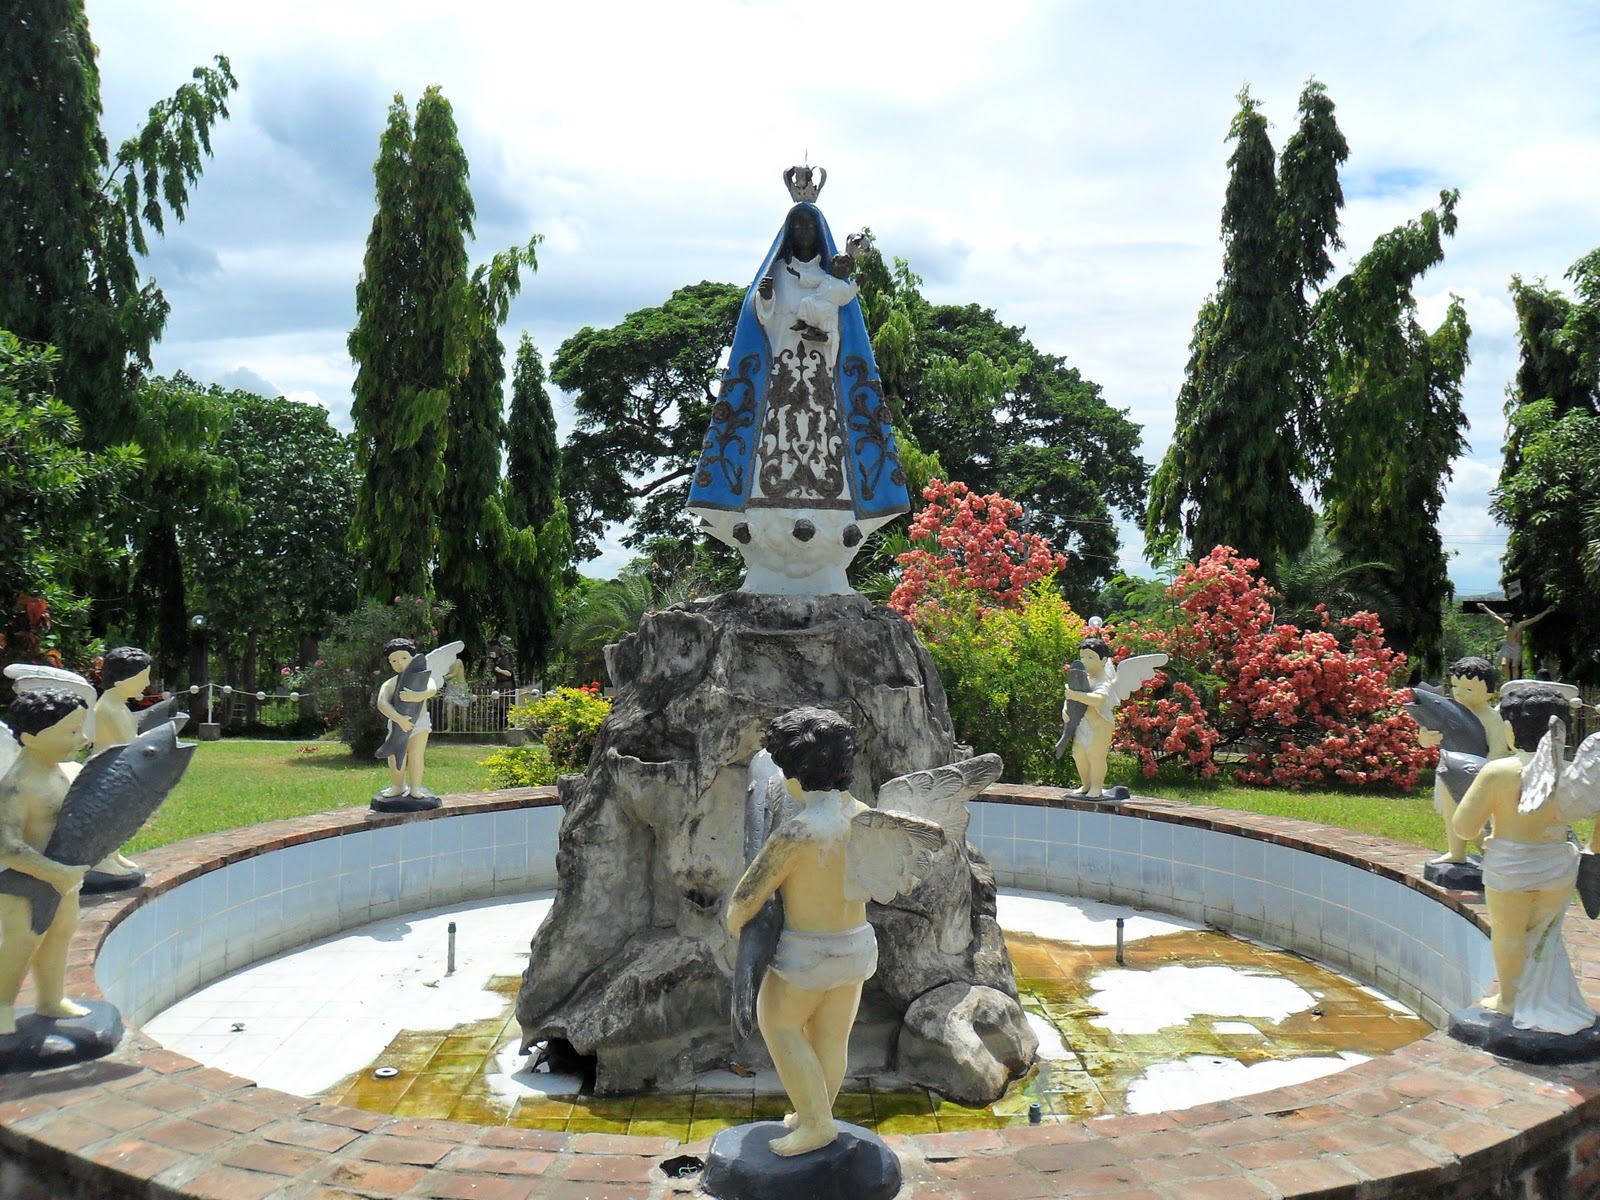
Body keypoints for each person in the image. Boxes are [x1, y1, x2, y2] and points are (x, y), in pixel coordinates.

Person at [686, 169, 910, 595]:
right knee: (770, 453)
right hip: (779, 385)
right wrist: (766, 297)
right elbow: (762, 322)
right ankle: (763, 541)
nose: (805, 231)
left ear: (818, 234)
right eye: (799, 226)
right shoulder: (779, 273)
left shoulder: (834, 279)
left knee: (832, 452)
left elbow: (846, 332)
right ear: (789, 234)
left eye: (810, 226)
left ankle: (832, 543)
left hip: (824, 388)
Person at [725, 708, 872, 1157]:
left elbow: (749, 896)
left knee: (780, 1025)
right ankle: (816, 1111)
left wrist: (735, 925)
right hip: (857, 948)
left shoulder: (798, 831)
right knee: (831, 1036)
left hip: (807, 955)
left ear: (792, 774)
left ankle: (815, 1122)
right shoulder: (864, 815)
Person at [1451, 685, 1595, 1033]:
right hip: (1558, 865)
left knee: (1509, 932)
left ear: (1511, 729)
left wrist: (1480, 833)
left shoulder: (1499, 772)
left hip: (1512, 866)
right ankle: (1549, 995)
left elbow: (1464, 825)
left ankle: (1511, 1000)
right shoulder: (1571, 769)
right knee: (1546, 933)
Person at [0, 689, 93, 1035]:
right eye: (71, 732)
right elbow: (6, 846)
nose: (82, 738)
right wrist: (55, 872)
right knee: (23, 939)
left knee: (61, 932)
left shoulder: (63, 773)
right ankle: (2, 1004)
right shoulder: (18, 786)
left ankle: (51, 998)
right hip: (23, 878)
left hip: (64, 876)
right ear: (30, 739)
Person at [1417, 656, 1511, 866]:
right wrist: (1426, 737)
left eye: (1468, 689)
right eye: (1455, 686)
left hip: (1478, 775)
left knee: (1478, 817)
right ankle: (1456, 852)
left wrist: (1483, 772)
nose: (1458, 693)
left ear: (1488, 693)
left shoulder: (1491, 718)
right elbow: (1427, 741)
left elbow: (1498, 750)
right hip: (1449, 770)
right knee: (1452, 814)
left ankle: (1488, 853)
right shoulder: (1450, 711)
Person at [87, 646, 154, 880]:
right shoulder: (108, 709)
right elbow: (127, 743)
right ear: (122, 680)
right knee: (107, 818)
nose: (146, 683)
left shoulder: (119, 706)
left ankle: (112, 854)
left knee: (117, 818)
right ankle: (101, 859)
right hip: (106, 774)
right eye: (142, 678)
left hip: (119, 771)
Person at [374, 638, 438, 799]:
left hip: (419, 723)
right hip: (397, 724)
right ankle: (398, 785)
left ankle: (416, 787)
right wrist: (399, 719)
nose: (400, 663)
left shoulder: (422, 678)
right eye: (394, 660)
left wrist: (417, 696)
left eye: (404, 658)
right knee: (395, 755)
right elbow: (382, 703)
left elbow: (432, 689)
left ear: (413, 658)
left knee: (416, 754)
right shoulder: (391, 683)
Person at [1477, 603, 1556, 682]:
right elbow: (1494, 616)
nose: (1505, 621)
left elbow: (1535, 619)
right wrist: (1485, 608)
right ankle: (1508, 680)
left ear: (1511, 619)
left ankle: (1515, 680)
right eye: (1504, 619)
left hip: (1516, 646)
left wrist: (1547, 611)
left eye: (1507, 619)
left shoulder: (1520, 625)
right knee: (1504, 664)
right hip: (1507, 646)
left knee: (1515, 666)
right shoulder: (1505, 625)